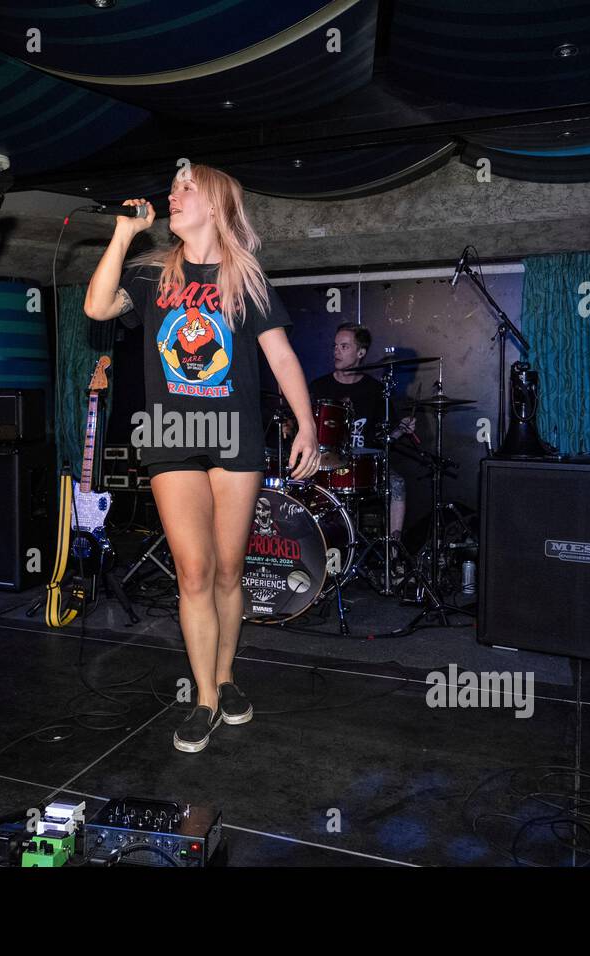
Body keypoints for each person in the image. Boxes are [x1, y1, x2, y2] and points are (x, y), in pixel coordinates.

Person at [84, 163, 320, 753]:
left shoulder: (246, 277)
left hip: (235, 435)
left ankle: (227, 676)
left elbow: (282, 357)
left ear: (216, 206)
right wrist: (121, 235)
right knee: (191, 571)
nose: (173, 194)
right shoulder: (150, 273)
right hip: (170, 433)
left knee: (226, 571)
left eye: (187, 188)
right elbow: (95, 308)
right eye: (173, 187)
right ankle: (205, 699)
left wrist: (307, 426)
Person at [308, 323, 416, 535]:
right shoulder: (318, 387)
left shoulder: (375, 390)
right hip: (323, 462)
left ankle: (392, 552)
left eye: (344, 346)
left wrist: (401, 430)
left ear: (361, 352)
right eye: (335, 345)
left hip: (363, 465)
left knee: (397, 484)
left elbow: (385, 440)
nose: (336, 351)